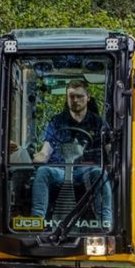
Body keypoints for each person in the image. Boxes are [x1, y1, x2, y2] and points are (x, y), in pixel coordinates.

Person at [30, 78, 113, 228]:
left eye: (79, 96)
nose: (75, 100)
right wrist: (37, 157)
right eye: (71, 96)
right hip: (60, 170)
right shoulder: (56, 122)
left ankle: (105, 224)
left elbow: (109, 152)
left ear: (88, 97)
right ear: (67, 98)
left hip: (87, 171)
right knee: (43, 172)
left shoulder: (98, 123)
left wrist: (111, 164)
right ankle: (36, 221)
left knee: (99, 174)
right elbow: (45, 151)